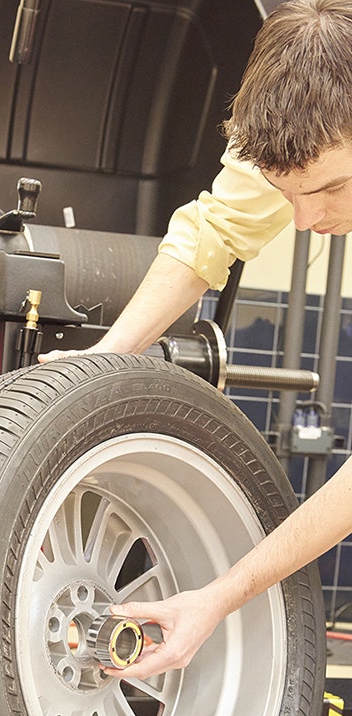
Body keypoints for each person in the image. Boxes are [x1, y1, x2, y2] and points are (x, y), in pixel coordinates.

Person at [38, 0, 352, 681]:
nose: (302, 220)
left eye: (328, 190)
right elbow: (213, 234)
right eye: (283, 192)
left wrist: (218, 598)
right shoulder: (297, 132)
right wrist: (103, 361)